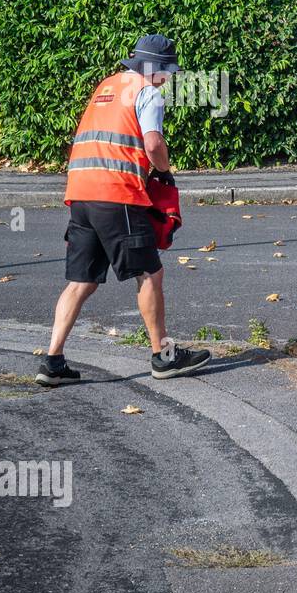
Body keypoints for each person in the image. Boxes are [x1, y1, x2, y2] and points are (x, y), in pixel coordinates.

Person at [36, 34, 210, 386]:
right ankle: (163, 356)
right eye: (168, 72)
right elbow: (153, 142)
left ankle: (52, 362)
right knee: (150, 273)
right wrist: (163, 170)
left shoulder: (106, 87)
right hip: (118, 195)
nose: (169, 78)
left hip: (81, 194)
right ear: (156, 69)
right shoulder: (147, 93)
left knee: (80, 282)